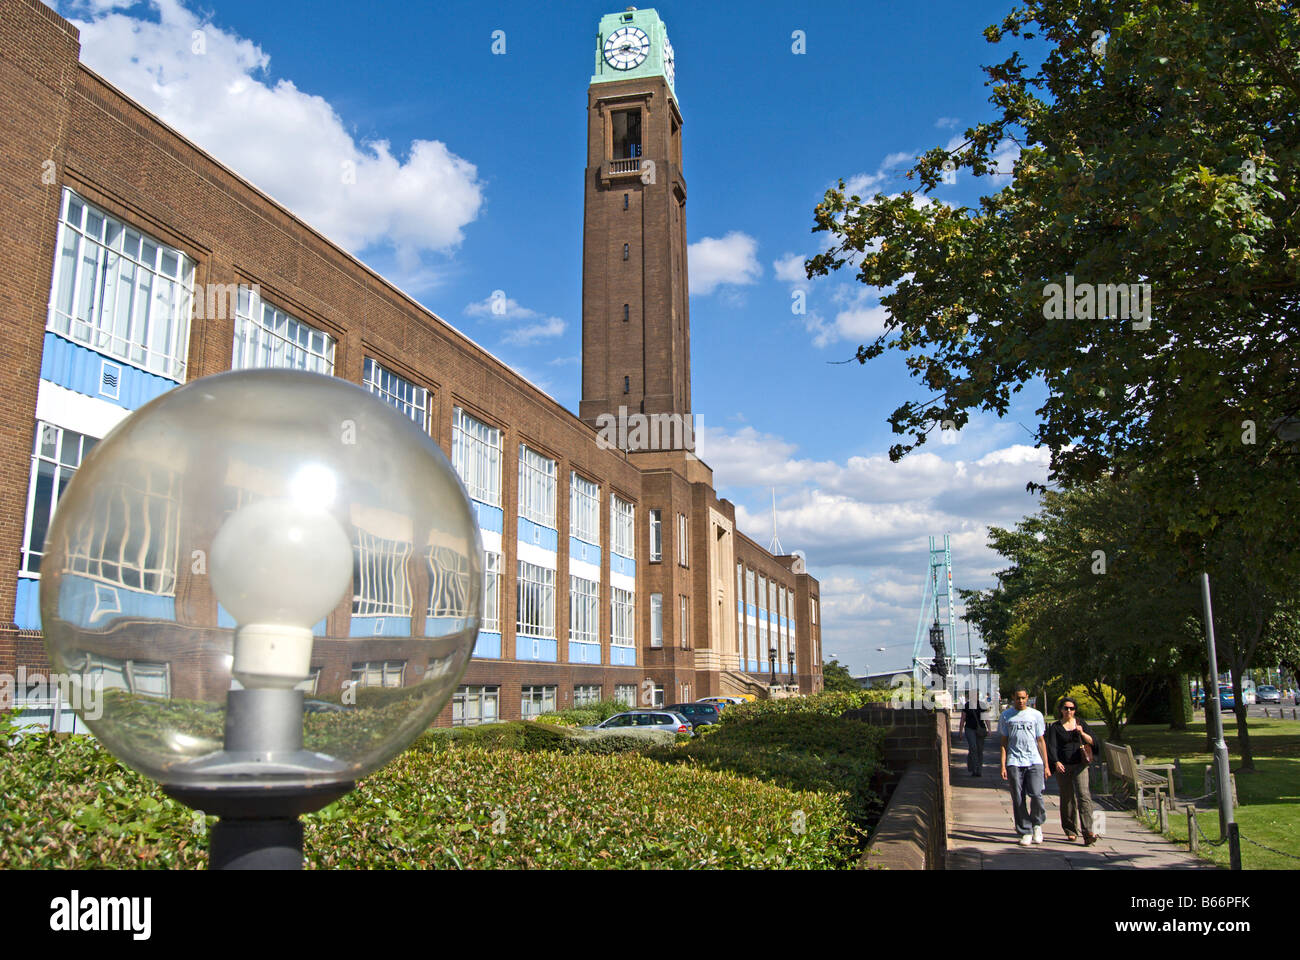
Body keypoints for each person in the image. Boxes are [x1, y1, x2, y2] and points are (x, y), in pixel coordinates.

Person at [999, 687, 1051, 846]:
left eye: (1023, 698)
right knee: (1018, 797)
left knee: (1036, 794)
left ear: (1027, 698)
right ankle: (1025, 830)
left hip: (1034, 760)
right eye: (1017, 698)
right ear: (1013, 698)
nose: (1020, 701)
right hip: (1015, 761)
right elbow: (1003, 743)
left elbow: (1041, 741)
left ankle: (1037, 824)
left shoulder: (1036, 715)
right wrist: (1003, 765)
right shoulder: (1006, 716)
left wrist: (1046, 765)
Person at [1046, 696, 1099, 844]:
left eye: (1072, 708)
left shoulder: (1081, 724)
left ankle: (1088, 831)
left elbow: (1093, 741)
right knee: (1067, 798)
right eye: (1066, 708)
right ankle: (1070, 830)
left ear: (1075, 710)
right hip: (1063, 766)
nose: (1069, 711)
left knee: (1084, 796)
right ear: (1061, 710)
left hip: (1080, 765)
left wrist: (1081, 732)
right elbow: (1052, 746)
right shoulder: (1056, 727)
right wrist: (1056, 762)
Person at [958, 692, 988, 776]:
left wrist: (989, 729)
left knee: (979, 749)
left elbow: (986, 718)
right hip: (969, 729)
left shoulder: (982, 705)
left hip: (980, 729)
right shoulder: (967, 706)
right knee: (973, 747)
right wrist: (960, 732)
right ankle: (974, 769)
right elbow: (963, 719)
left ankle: (979, 769)